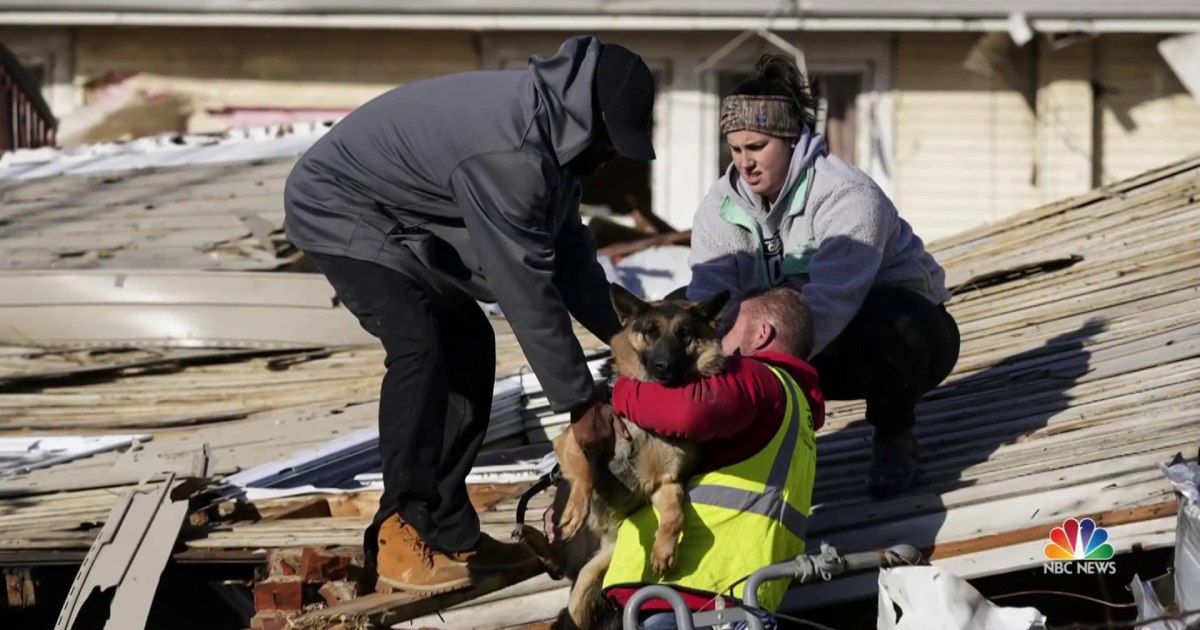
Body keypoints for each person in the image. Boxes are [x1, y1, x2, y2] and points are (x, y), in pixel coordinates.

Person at [282, 35, 656, 592]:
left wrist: (634, 340)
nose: (608, 158)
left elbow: (572, 261)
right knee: (420, 345)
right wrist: (581, 401)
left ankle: (449, 531)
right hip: (337, 206)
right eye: (608, 142)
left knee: (470, 344)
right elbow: (527, 288)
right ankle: (399, 527)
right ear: (588, 118)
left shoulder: (555, 138)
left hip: (403, 220)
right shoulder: (514, 155)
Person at [684, 54, 960, 499]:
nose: (745, 163)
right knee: (684, 315)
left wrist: (752, 384)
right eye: (736, 150)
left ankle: (894, 437)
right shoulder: (719, 207)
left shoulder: (846, 194)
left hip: (895, 343)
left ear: (790, 140)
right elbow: (710, 301)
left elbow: (832, 304)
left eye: (757, 147)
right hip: (795, 348)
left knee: (889, 319)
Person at [601, 287, 825, 629]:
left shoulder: (753, 377)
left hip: (691, 589)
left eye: (731, 325)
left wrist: (619, 388)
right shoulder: (797, 406)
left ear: (762, 334)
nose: (720, 336)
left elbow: (685, 414)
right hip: (732, 595)